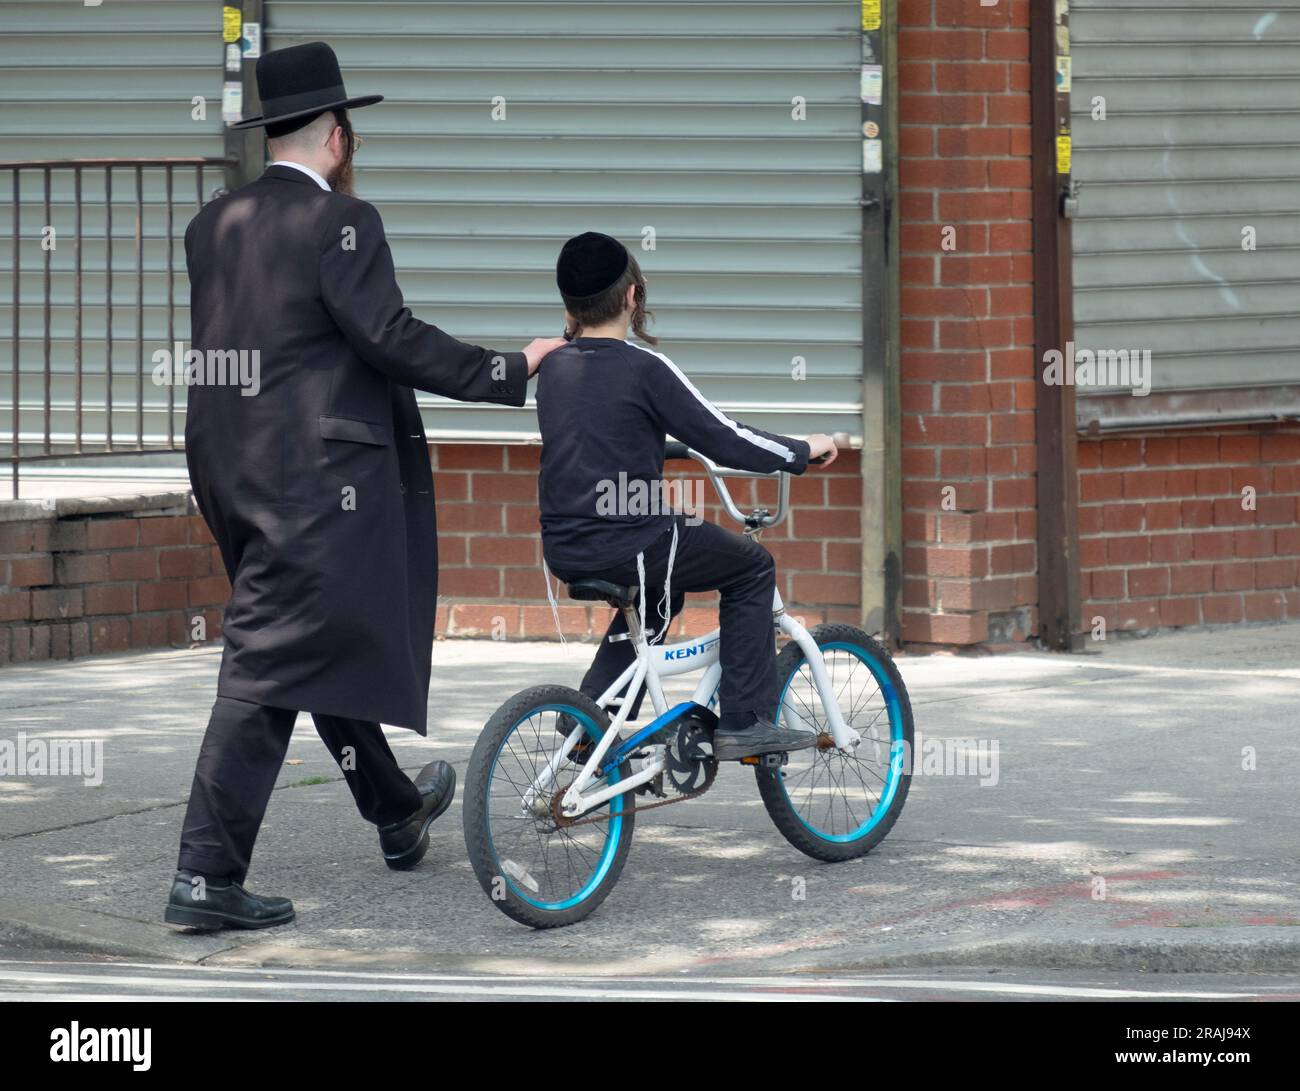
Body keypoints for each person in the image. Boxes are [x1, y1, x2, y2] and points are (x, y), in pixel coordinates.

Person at [166, 41, 565, 931]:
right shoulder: (344, 224)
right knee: (271, 659)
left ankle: (392, 808)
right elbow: (390, 337)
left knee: (309, 639)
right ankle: (203, 876)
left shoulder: (211, 224)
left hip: (227, 468)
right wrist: (511, 367)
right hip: (316, 480)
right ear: (338, 136)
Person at [535, 232, 838, 761]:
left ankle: (590, 713)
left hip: (565, 546)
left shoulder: (556, 368)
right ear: (633, 296)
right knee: (750, 567)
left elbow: (600, 432)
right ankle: (745, 722)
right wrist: (800, 450)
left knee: (660, 593)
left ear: (569, 306)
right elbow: (723, 438)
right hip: (633, 539)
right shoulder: (645, 368)